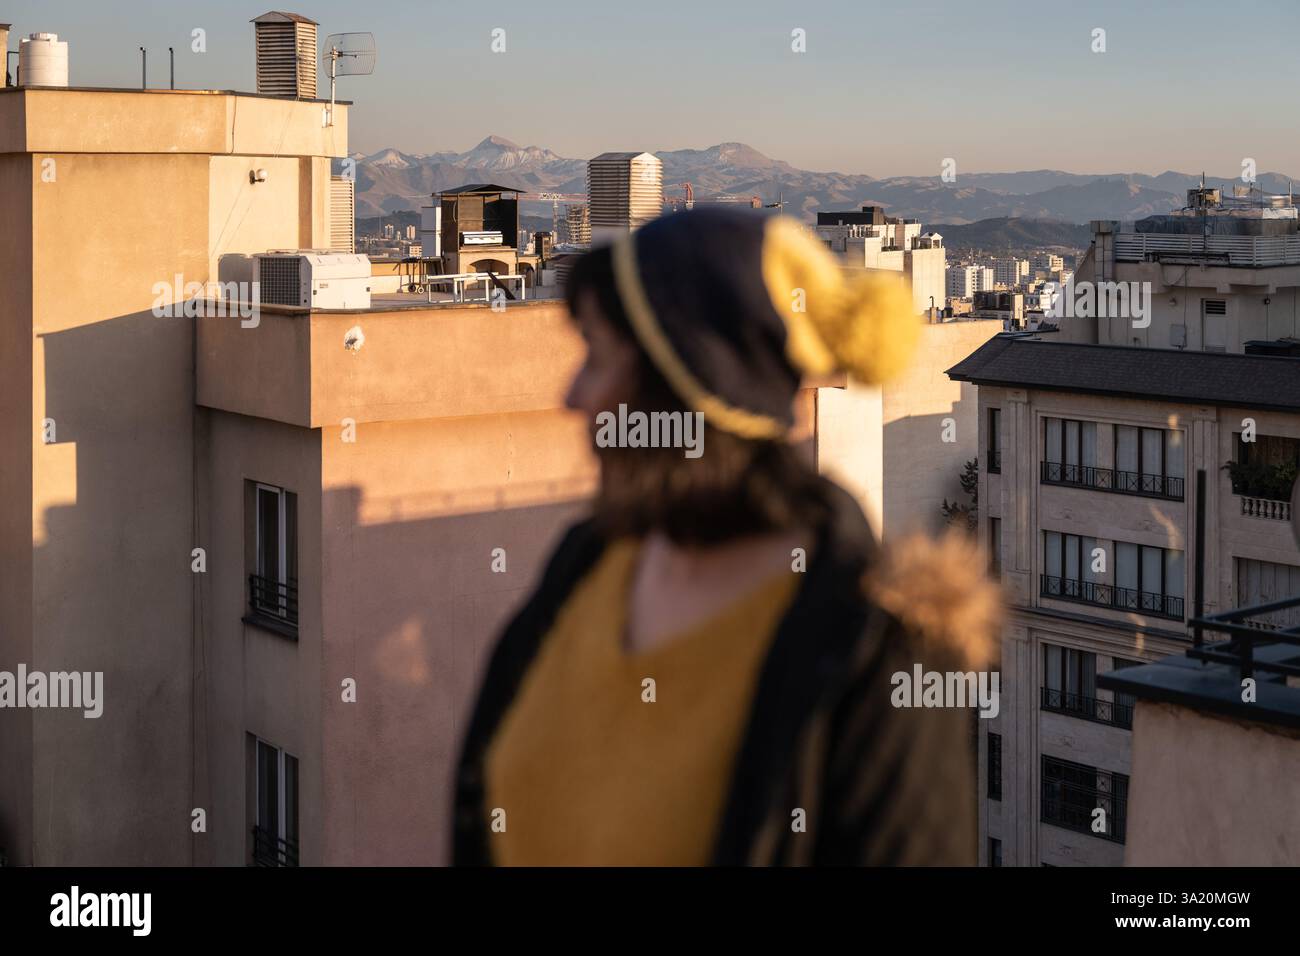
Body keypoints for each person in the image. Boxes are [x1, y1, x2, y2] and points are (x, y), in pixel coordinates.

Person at [452, 207, 1000, 866]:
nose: (574, 395)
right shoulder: (585, 564)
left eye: (597, 356)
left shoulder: (872, 651)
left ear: (678, 393)